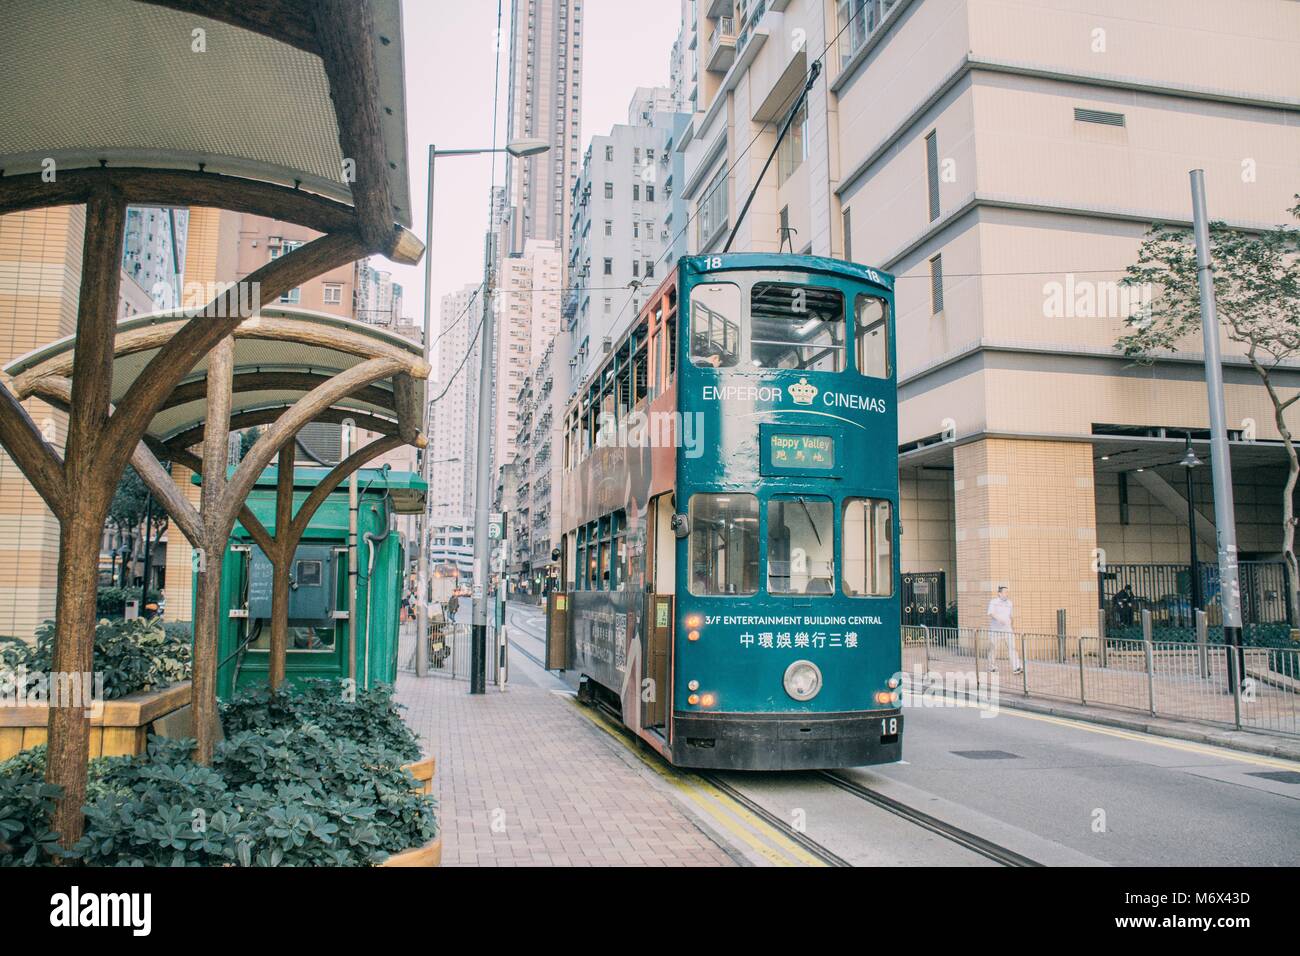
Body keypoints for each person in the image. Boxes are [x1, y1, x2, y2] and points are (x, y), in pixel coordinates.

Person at [986, 585, 1021, 674]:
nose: (1007, 594)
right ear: (999, 593)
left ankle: (1016, 667)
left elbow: (1011, 616)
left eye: (1007, 592)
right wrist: (999, 619)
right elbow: (990, 613)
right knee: (993, 648)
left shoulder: (1009, 603)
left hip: (1007, 630)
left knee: (1012, 648)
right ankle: (991, 667)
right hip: (995, 630)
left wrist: (1012, 626)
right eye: (1005, 592)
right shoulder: (993, 602)